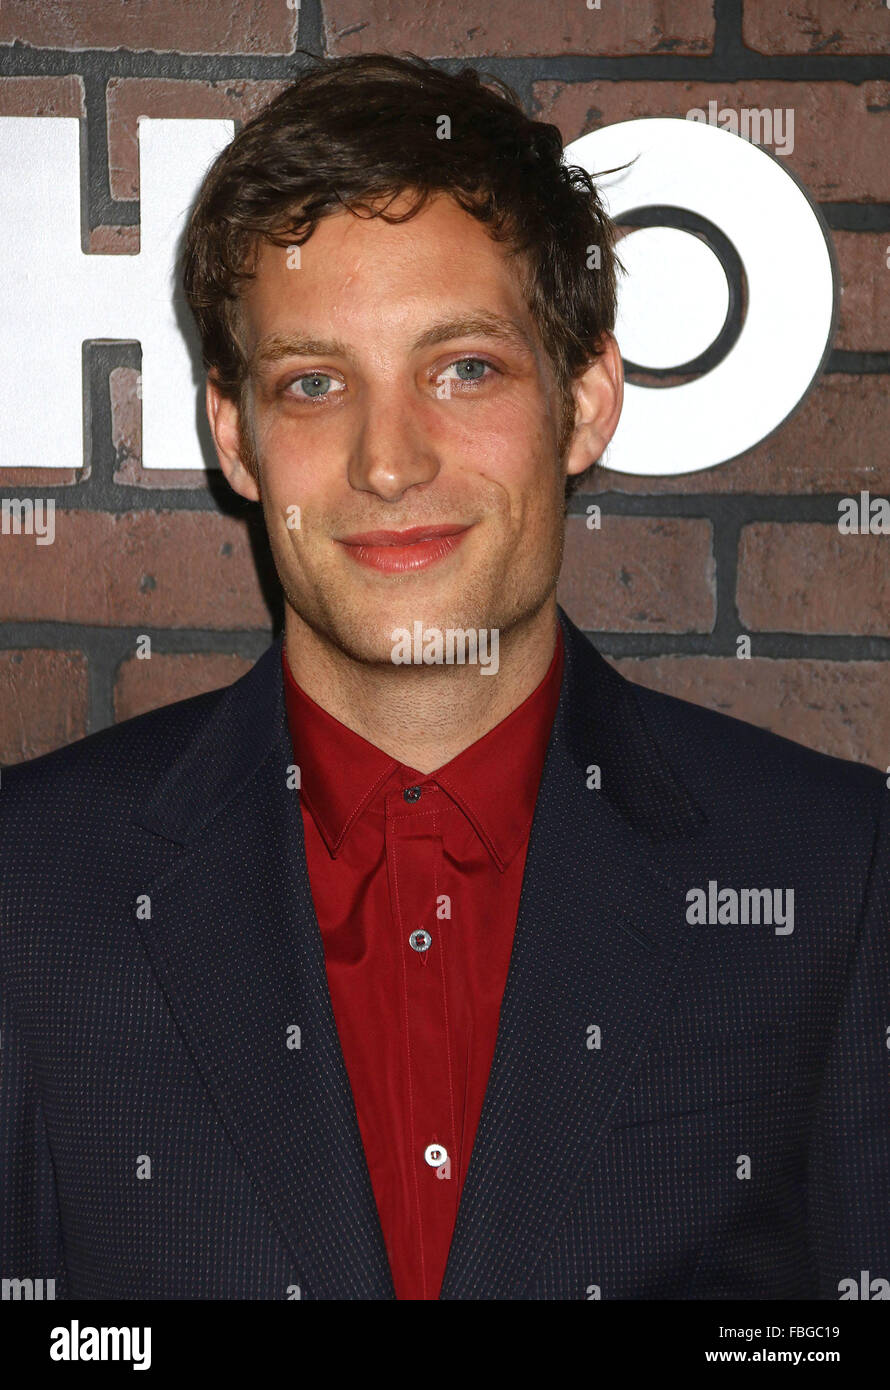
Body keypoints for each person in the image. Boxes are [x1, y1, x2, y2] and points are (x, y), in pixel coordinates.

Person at [1, 52, 887, 1302]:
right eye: (314, 384)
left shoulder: (828, 874)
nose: (386, 460)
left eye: (462, 367)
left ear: (584, 401)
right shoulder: (30, 891)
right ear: (232, 436)